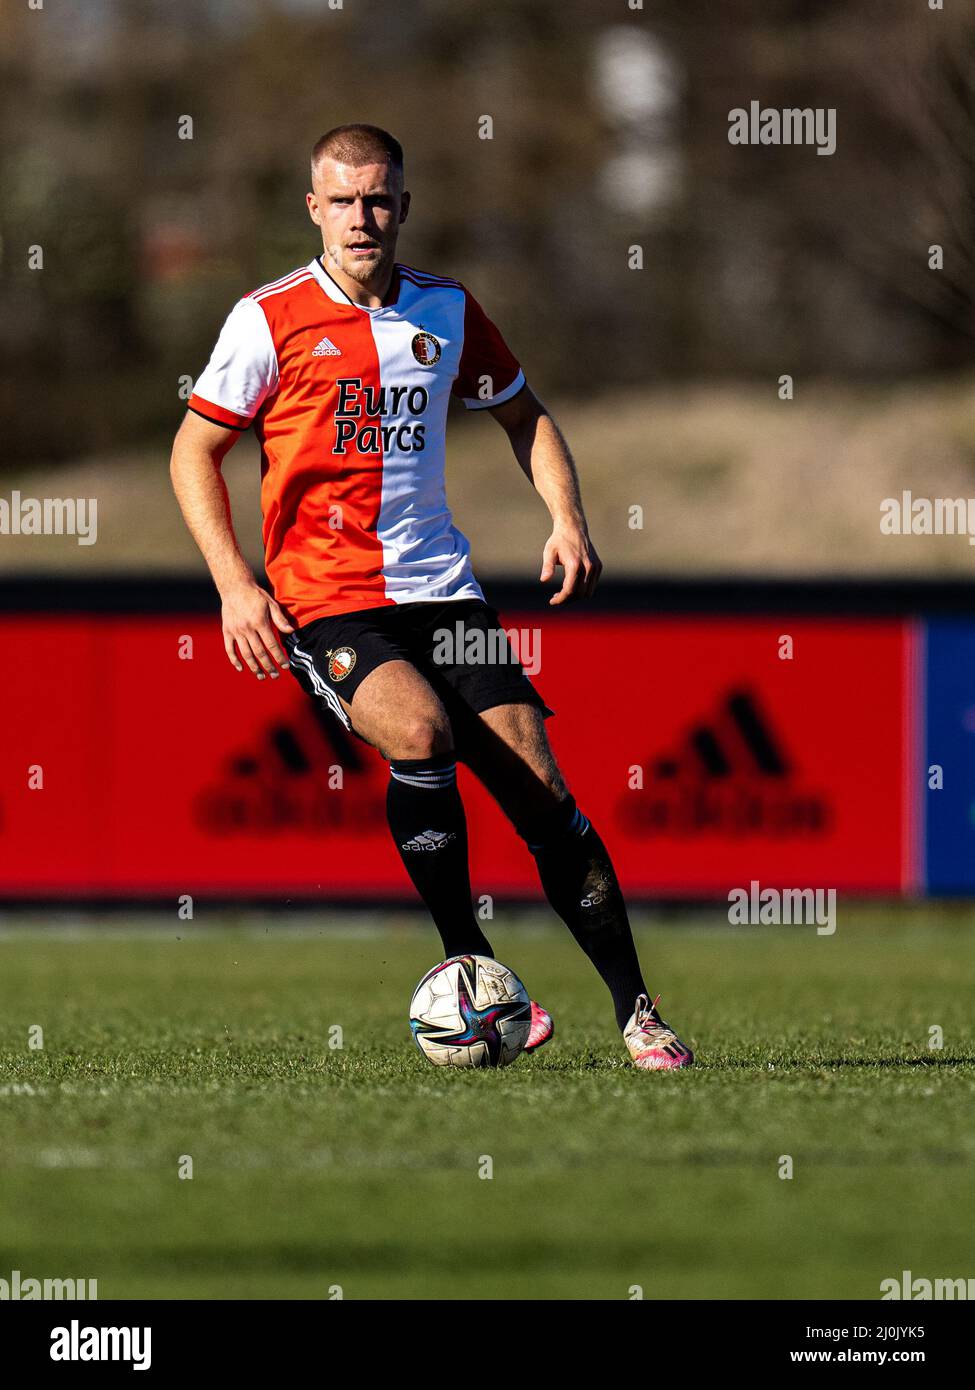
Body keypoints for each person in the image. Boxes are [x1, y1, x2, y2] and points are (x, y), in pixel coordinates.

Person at [170, 123, 693, 1070]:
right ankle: (469, 962)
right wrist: (234, 584)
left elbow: (524, 415)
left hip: (442, 593)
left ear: (404, 207)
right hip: (327, 602)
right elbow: (192, 449)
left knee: (542, 794)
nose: (362, 217)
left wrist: (567, 519)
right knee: (420, 736)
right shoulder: (268, 319)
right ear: (313, 208)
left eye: (379, 199)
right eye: (344, 200)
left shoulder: (446, 311)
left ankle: (638, 1015)